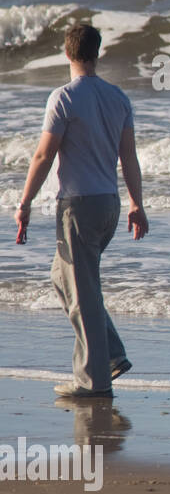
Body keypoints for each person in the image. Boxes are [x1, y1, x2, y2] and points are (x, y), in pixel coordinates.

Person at [14, 24, 148, 398]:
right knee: (65, 279)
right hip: (108, 205)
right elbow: (129, 157)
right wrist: (136, 204)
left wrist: (24, 203)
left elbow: (44, 155)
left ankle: (94, 382)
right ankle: (111, 354)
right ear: (97, 52)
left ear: (66, 53)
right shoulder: (118, 98)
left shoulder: (64, 98)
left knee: (82, 291)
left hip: (78, 206)